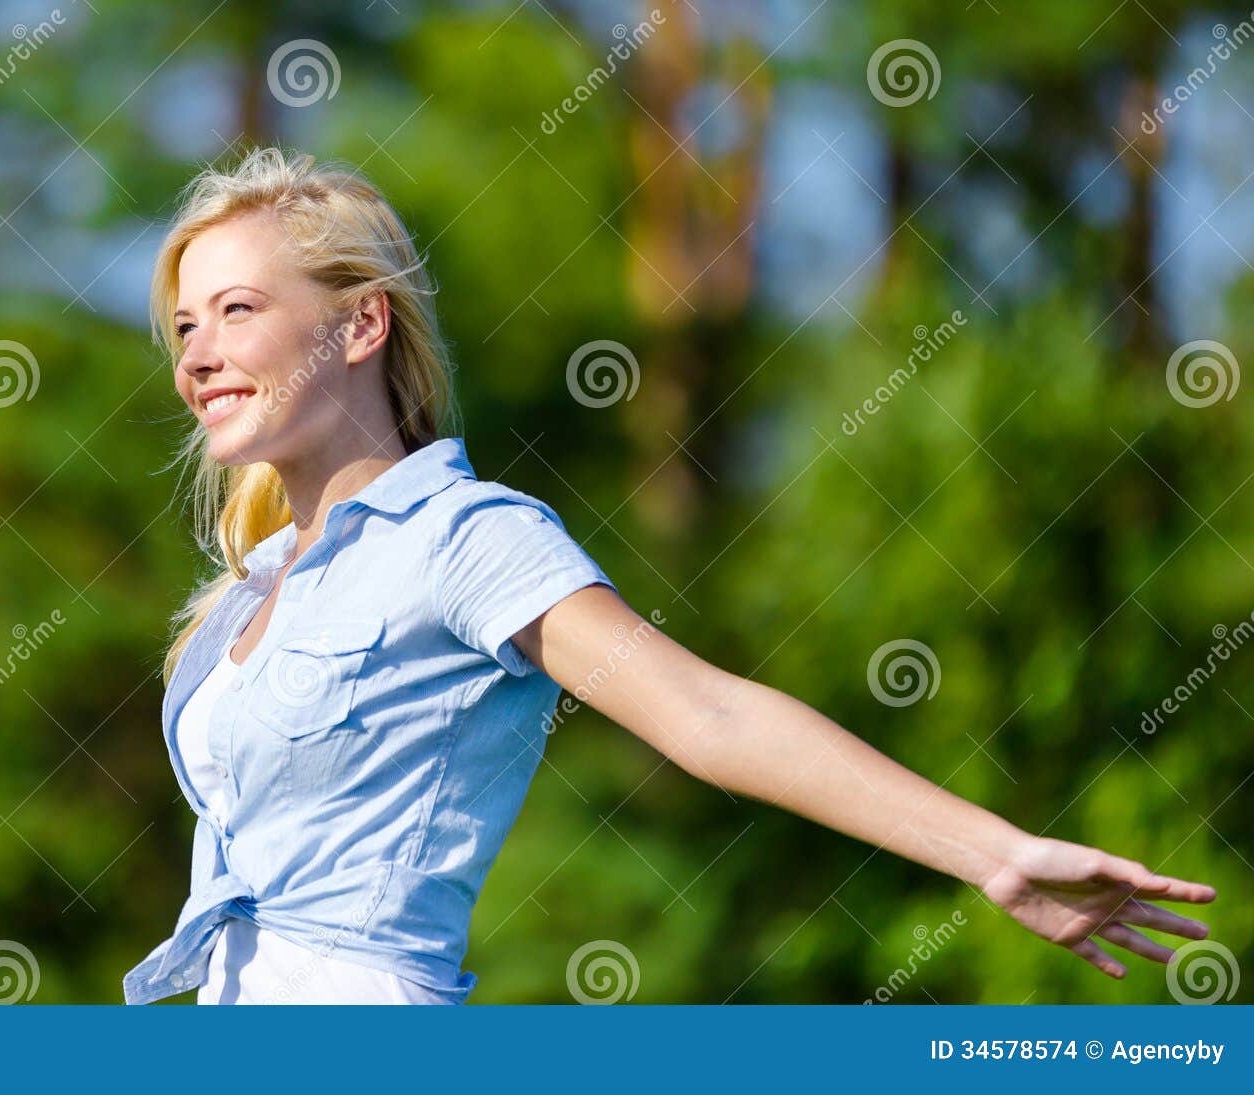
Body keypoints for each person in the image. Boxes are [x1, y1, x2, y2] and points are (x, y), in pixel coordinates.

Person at [121, 146, 1216, 1005]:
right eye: (183, 326)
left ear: (361, 322)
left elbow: (706, 714)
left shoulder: (465, 538)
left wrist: (994, 854)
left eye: (238, 310)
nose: (197, 356)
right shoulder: (249, 592)